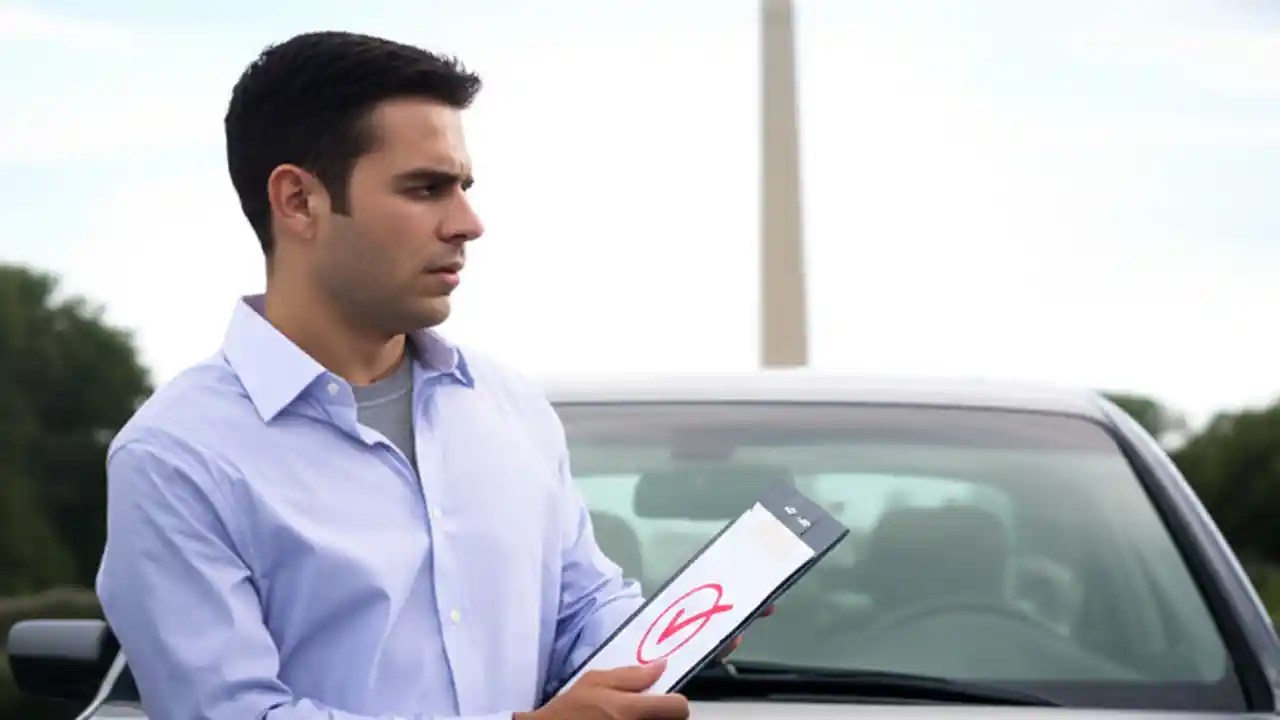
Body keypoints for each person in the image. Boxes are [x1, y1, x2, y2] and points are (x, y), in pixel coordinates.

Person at [94, 30, 757, 720]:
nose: (468, 223)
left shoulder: (509, 408)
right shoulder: (176, 457)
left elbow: (579, 613)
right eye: (426, 189)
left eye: (464, 187)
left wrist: (675, 633)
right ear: (298, 201)